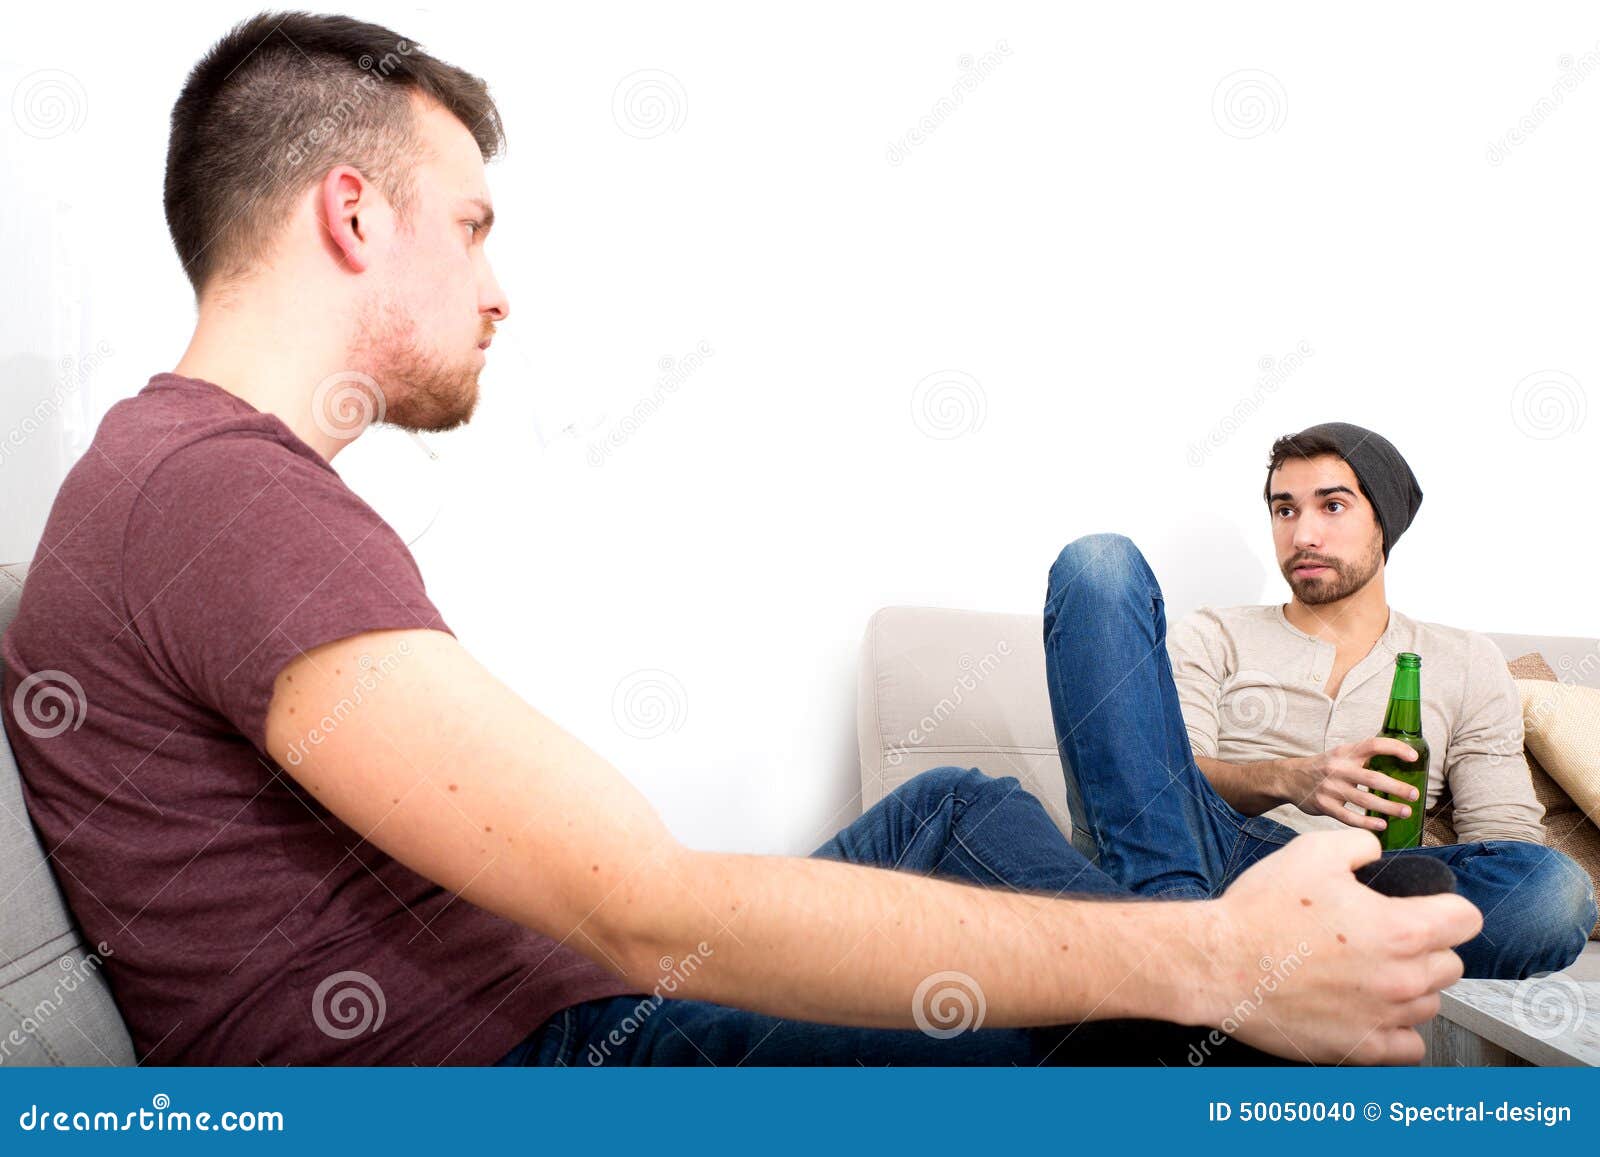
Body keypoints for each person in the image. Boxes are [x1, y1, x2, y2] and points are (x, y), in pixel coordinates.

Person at [1, 12, 1479, 1067]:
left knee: (953, 810)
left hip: (571, 1009)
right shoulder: (218, 496)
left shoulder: (183, 477)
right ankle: (1230, 1001)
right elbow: (638, 908)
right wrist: (1207, 956)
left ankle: (1220, 1012)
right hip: (563, 1064)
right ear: (350, 215)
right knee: (1175, 974)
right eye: (470, 224)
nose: (502, 286)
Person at [1042, 424, 1596, 983]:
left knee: (1553, 890)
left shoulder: (1466, 659)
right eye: (1285, 511)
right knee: (1099, 563)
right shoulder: (1214, 634)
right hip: (1198, 848)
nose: (1303, 534)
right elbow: (1152, 782)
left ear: (1385, 523)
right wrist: (1289, 778)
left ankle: (1226, 946)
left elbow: (1502, 843)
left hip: (1350, 888)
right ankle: (1177, 921)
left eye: (1332, 506)